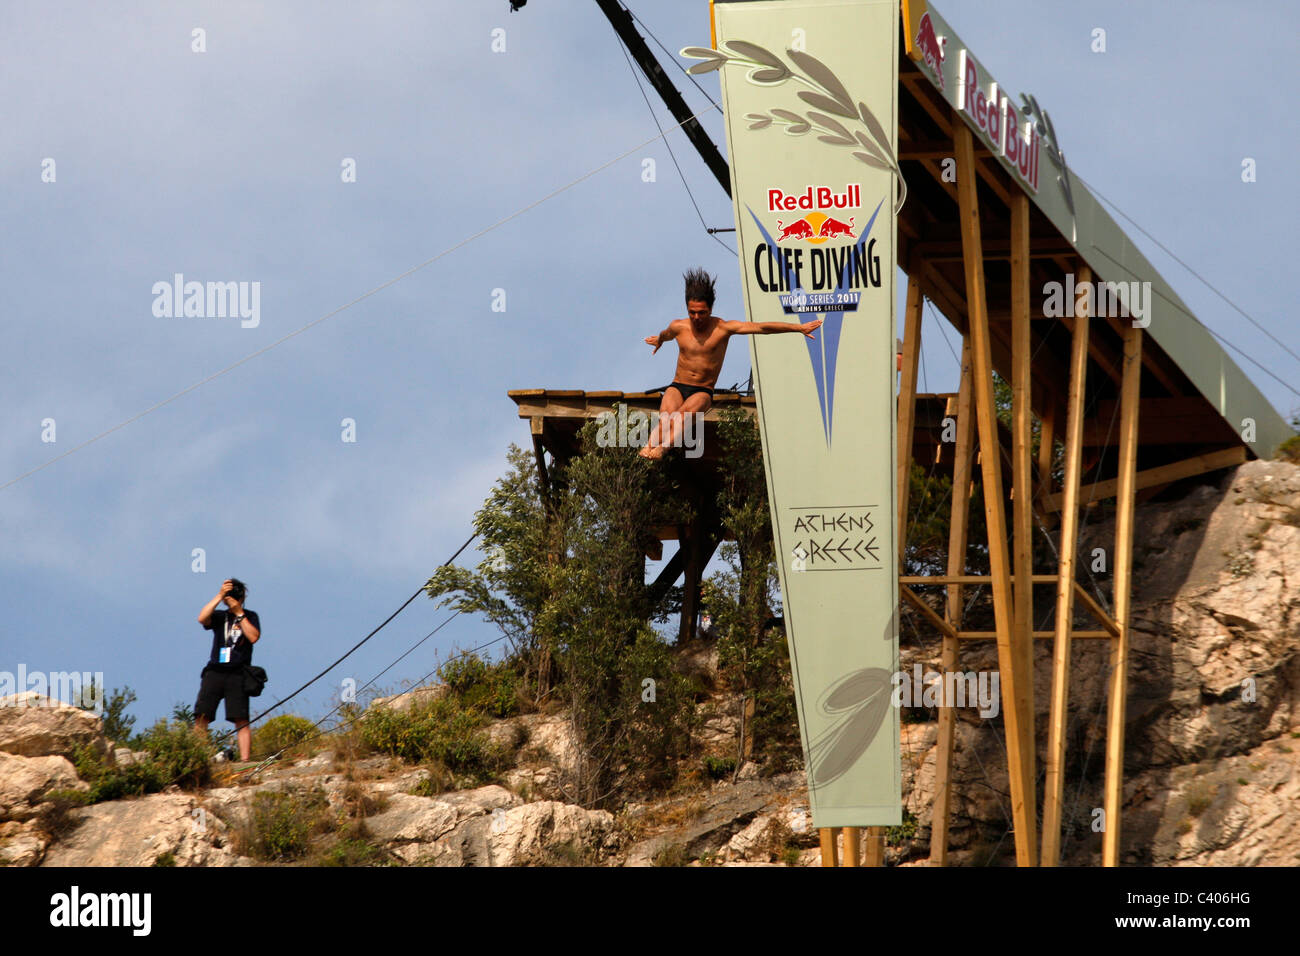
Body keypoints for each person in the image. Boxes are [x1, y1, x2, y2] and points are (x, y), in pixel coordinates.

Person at [640, 268, 823, 459]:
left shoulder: (723, 328)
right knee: (666, 419)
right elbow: (665, 334)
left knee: (682, 417)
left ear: (710, 310)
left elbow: (761, 328)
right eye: (692, 312)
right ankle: (648, 448)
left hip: (702, 390)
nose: (696, 317)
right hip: (677, 385)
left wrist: (797, 328)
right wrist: (659, 340)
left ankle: (663, 449)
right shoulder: (678, 326)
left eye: (702, 313)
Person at [194, 578, 261, 761]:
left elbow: (253, 637)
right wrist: (219, 595)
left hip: (238, 673)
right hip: (215, 671)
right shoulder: (219, 617)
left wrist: (239, 613)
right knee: (202, 716)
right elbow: (202, 618)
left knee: (241, 719)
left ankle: (245, 760)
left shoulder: (251, 616)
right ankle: (197, 757)